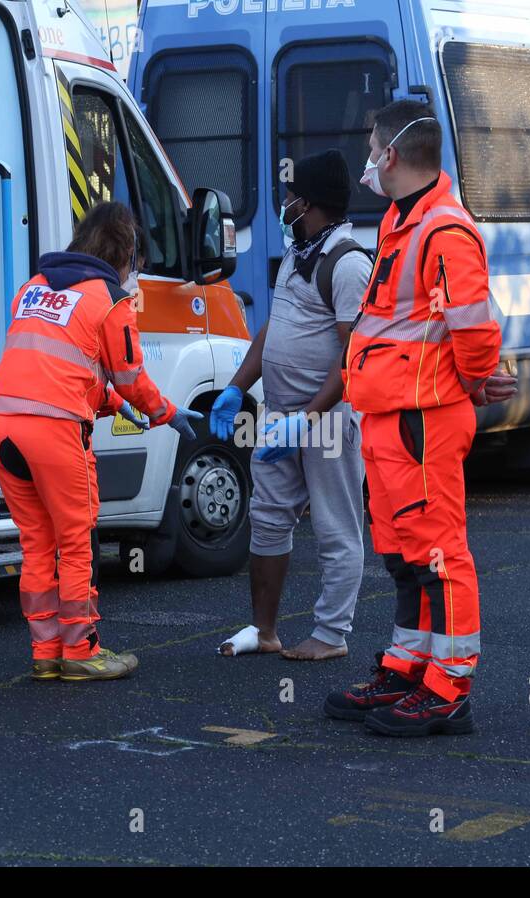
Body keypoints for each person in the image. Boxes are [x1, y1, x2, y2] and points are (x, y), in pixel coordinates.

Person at [325, 100, 517, 736]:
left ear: (394, 155)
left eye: (372, 146)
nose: (368, 159)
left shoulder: (444, 230)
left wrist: (469, 384)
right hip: (388, 413)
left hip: (423, 416)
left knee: (439, 554)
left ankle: (449, 688)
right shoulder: (400, 222)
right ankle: (409, 668)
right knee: (404, 553)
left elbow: (474, 328)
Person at [0, 201, 202, 682]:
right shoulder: (110, 299)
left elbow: (50, 366)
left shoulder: (33, 288)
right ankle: (81, 649)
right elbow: (132, 376)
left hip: (2, 426)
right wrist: (164, 412)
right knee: (77, 540)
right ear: (127, 252)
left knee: (38, 545)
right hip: (55, 431)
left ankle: (46, 653)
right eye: (137, 263)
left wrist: (107, 402)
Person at [211, 149, 371, 661]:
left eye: (291, 196)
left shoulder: (347, 263)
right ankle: (265, 631)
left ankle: (331, 635)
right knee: (268, 517)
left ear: (310, 203)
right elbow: (273, 331)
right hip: (281, 416)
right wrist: (235, 387)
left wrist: (307, 419)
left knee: (334, 527)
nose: (284, 203)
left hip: (323, 419)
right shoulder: (299, 252)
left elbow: (353, 358)